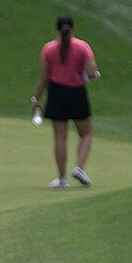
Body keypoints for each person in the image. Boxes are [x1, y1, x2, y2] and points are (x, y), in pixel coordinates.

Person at [30, 14, 98, 187]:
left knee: (60, 138)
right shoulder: (82, 47)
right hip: (77, 93)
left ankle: (62, 179)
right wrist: (85, 75)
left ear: (57, 29)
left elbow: (43, 77)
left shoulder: (48, 49)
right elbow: (91, 72)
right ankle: (79, 167)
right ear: (72, 29)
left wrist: (36, 99)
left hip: (56, 93)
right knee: (86, 133)